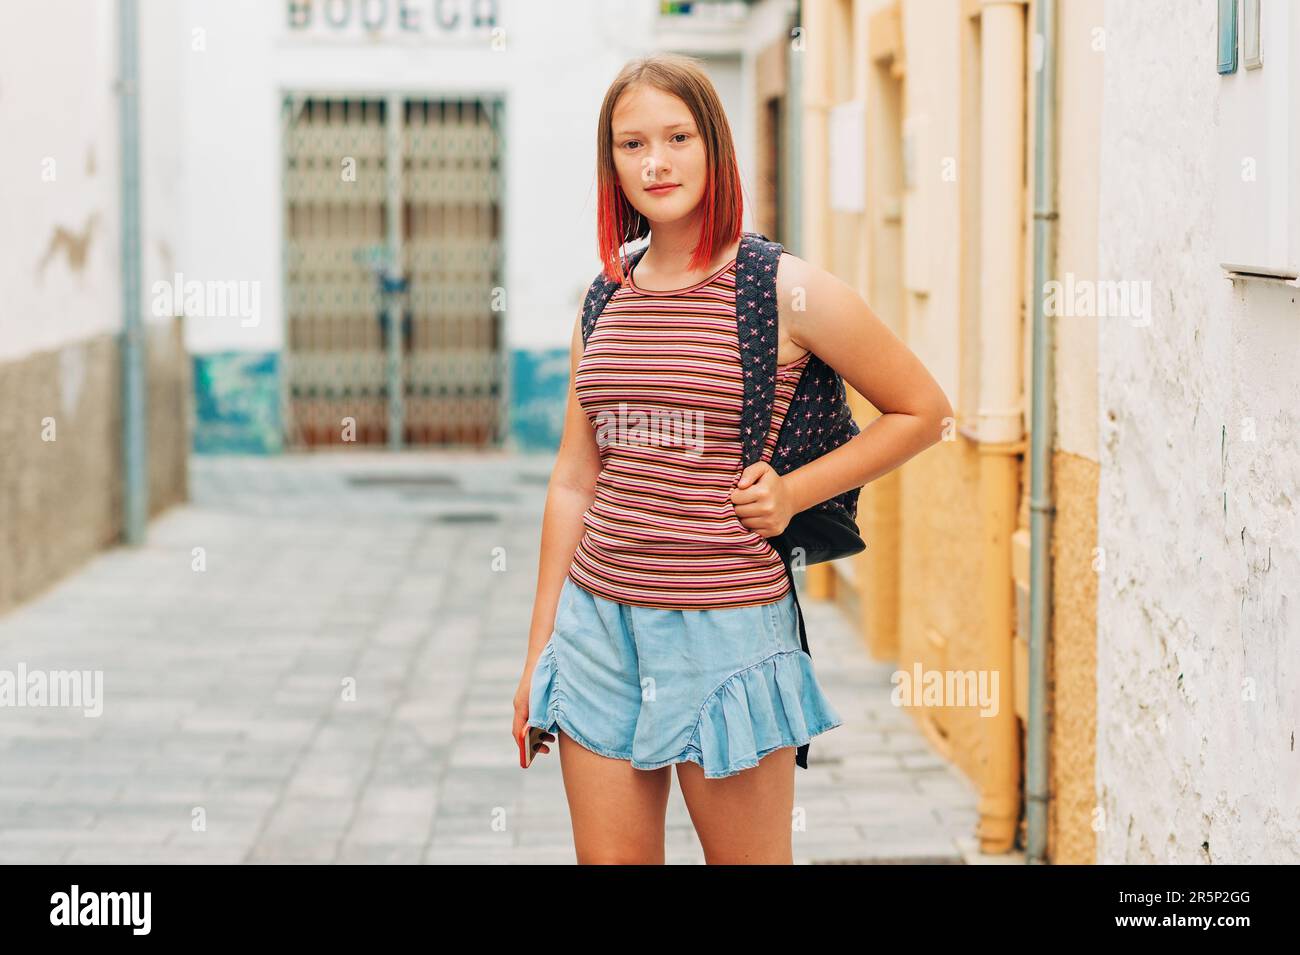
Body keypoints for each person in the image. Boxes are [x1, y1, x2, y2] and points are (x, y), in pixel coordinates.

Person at [512, 52, 953, 864]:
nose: (656, 161)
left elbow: (923, 412)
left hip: (729, 638)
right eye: (631, 143)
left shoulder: (781, 287)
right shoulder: (603, 293)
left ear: (715, 146)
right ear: (610, 162)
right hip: (597, 629)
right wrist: (543, 649)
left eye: (678, 137)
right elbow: (576, 477)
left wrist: (793, 491)